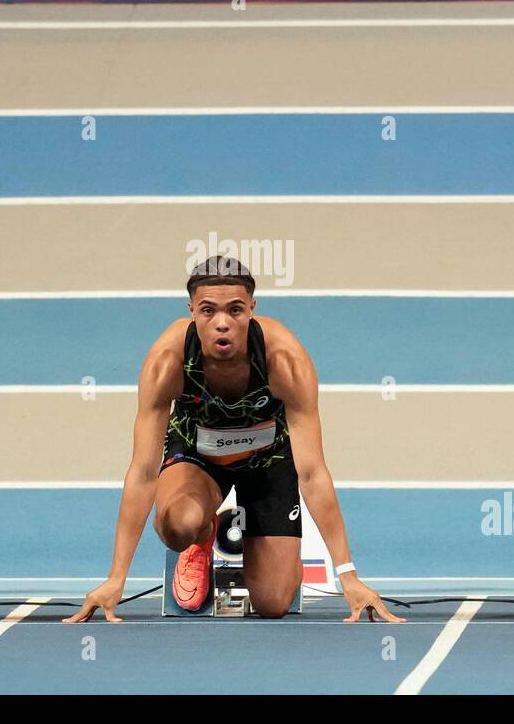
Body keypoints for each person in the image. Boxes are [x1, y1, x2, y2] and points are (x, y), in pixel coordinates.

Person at [66, 257, 401, 624]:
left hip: (269, 459)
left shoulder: (285, 361)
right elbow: (144, 472)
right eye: (208, 311)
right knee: (179, 525)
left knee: (274, 604)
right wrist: (117, 579)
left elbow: (313, 473)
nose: (222, 323)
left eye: (235, 310)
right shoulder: (168, 363)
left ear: (252, 310)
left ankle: (281, 562)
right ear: (191, 310)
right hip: (198, 457)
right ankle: (201, 537)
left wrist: (348, 575)